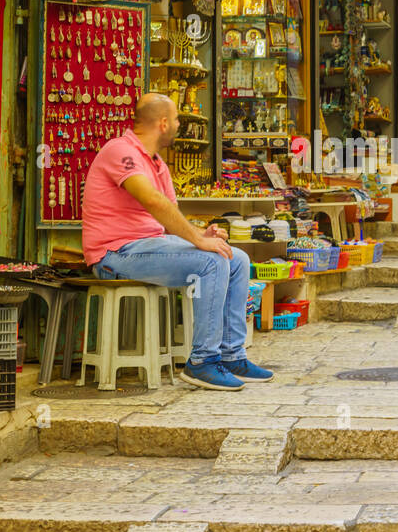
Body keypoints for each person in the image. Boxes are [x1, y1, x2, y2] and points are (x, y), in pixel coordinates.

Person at [81, 92, 274, 391]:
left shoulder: (158, 164)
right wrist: (197, 240)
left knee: (236, 259)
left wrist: (202, 234)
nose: (179, 124)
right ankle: (202, 362)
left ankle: (231, 355)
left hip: (151, 247)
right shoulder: (121, 151)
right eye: (176, 119)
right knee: (211, 261)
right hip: (116, 253)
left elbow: (169, 217)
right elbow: (153, 202)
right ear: (162, 123)